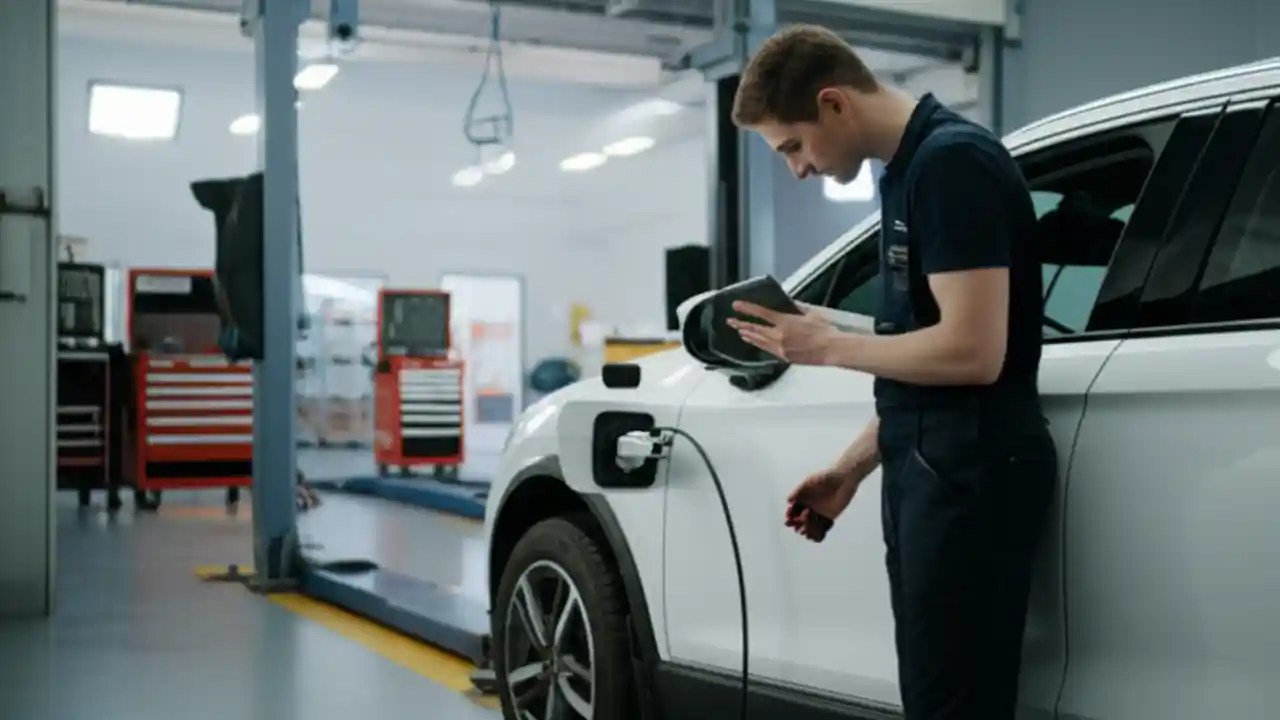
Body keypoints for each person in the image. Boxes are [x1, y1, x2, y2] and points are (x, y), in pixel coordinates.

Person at [726, 24, 1058, 720]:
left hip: (972, 478)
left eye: (792, 146)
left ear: (834, 103)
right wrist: (850, 469)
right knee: (938, 697)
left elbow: (974, 352)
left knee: (953, 704)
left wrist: (826, 346)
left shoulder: (951, 165)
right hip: (938, 470)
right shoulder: (909, 173)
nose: (797, 169)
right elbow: (924, 355)